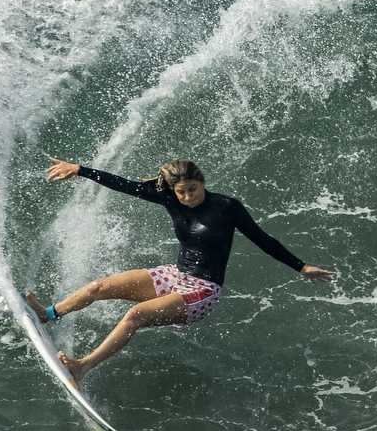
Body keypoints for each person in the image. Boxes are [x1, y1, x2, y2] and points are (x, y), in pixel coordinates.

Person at [26, 157, 335, 381]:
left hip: (203, 291)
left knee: (134, 315)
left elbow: (263, 240)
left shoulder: (227, 208)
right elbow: (123, 185)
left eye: (193, 189)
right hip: (175, 274)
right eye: (181, 192)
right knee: (99, 288)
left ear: (202, 182)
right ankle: (48, 314)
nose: (188, 197)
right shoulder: (170, 198)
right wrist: (79, 170)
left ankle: (82, 366)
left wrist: (302, 267)